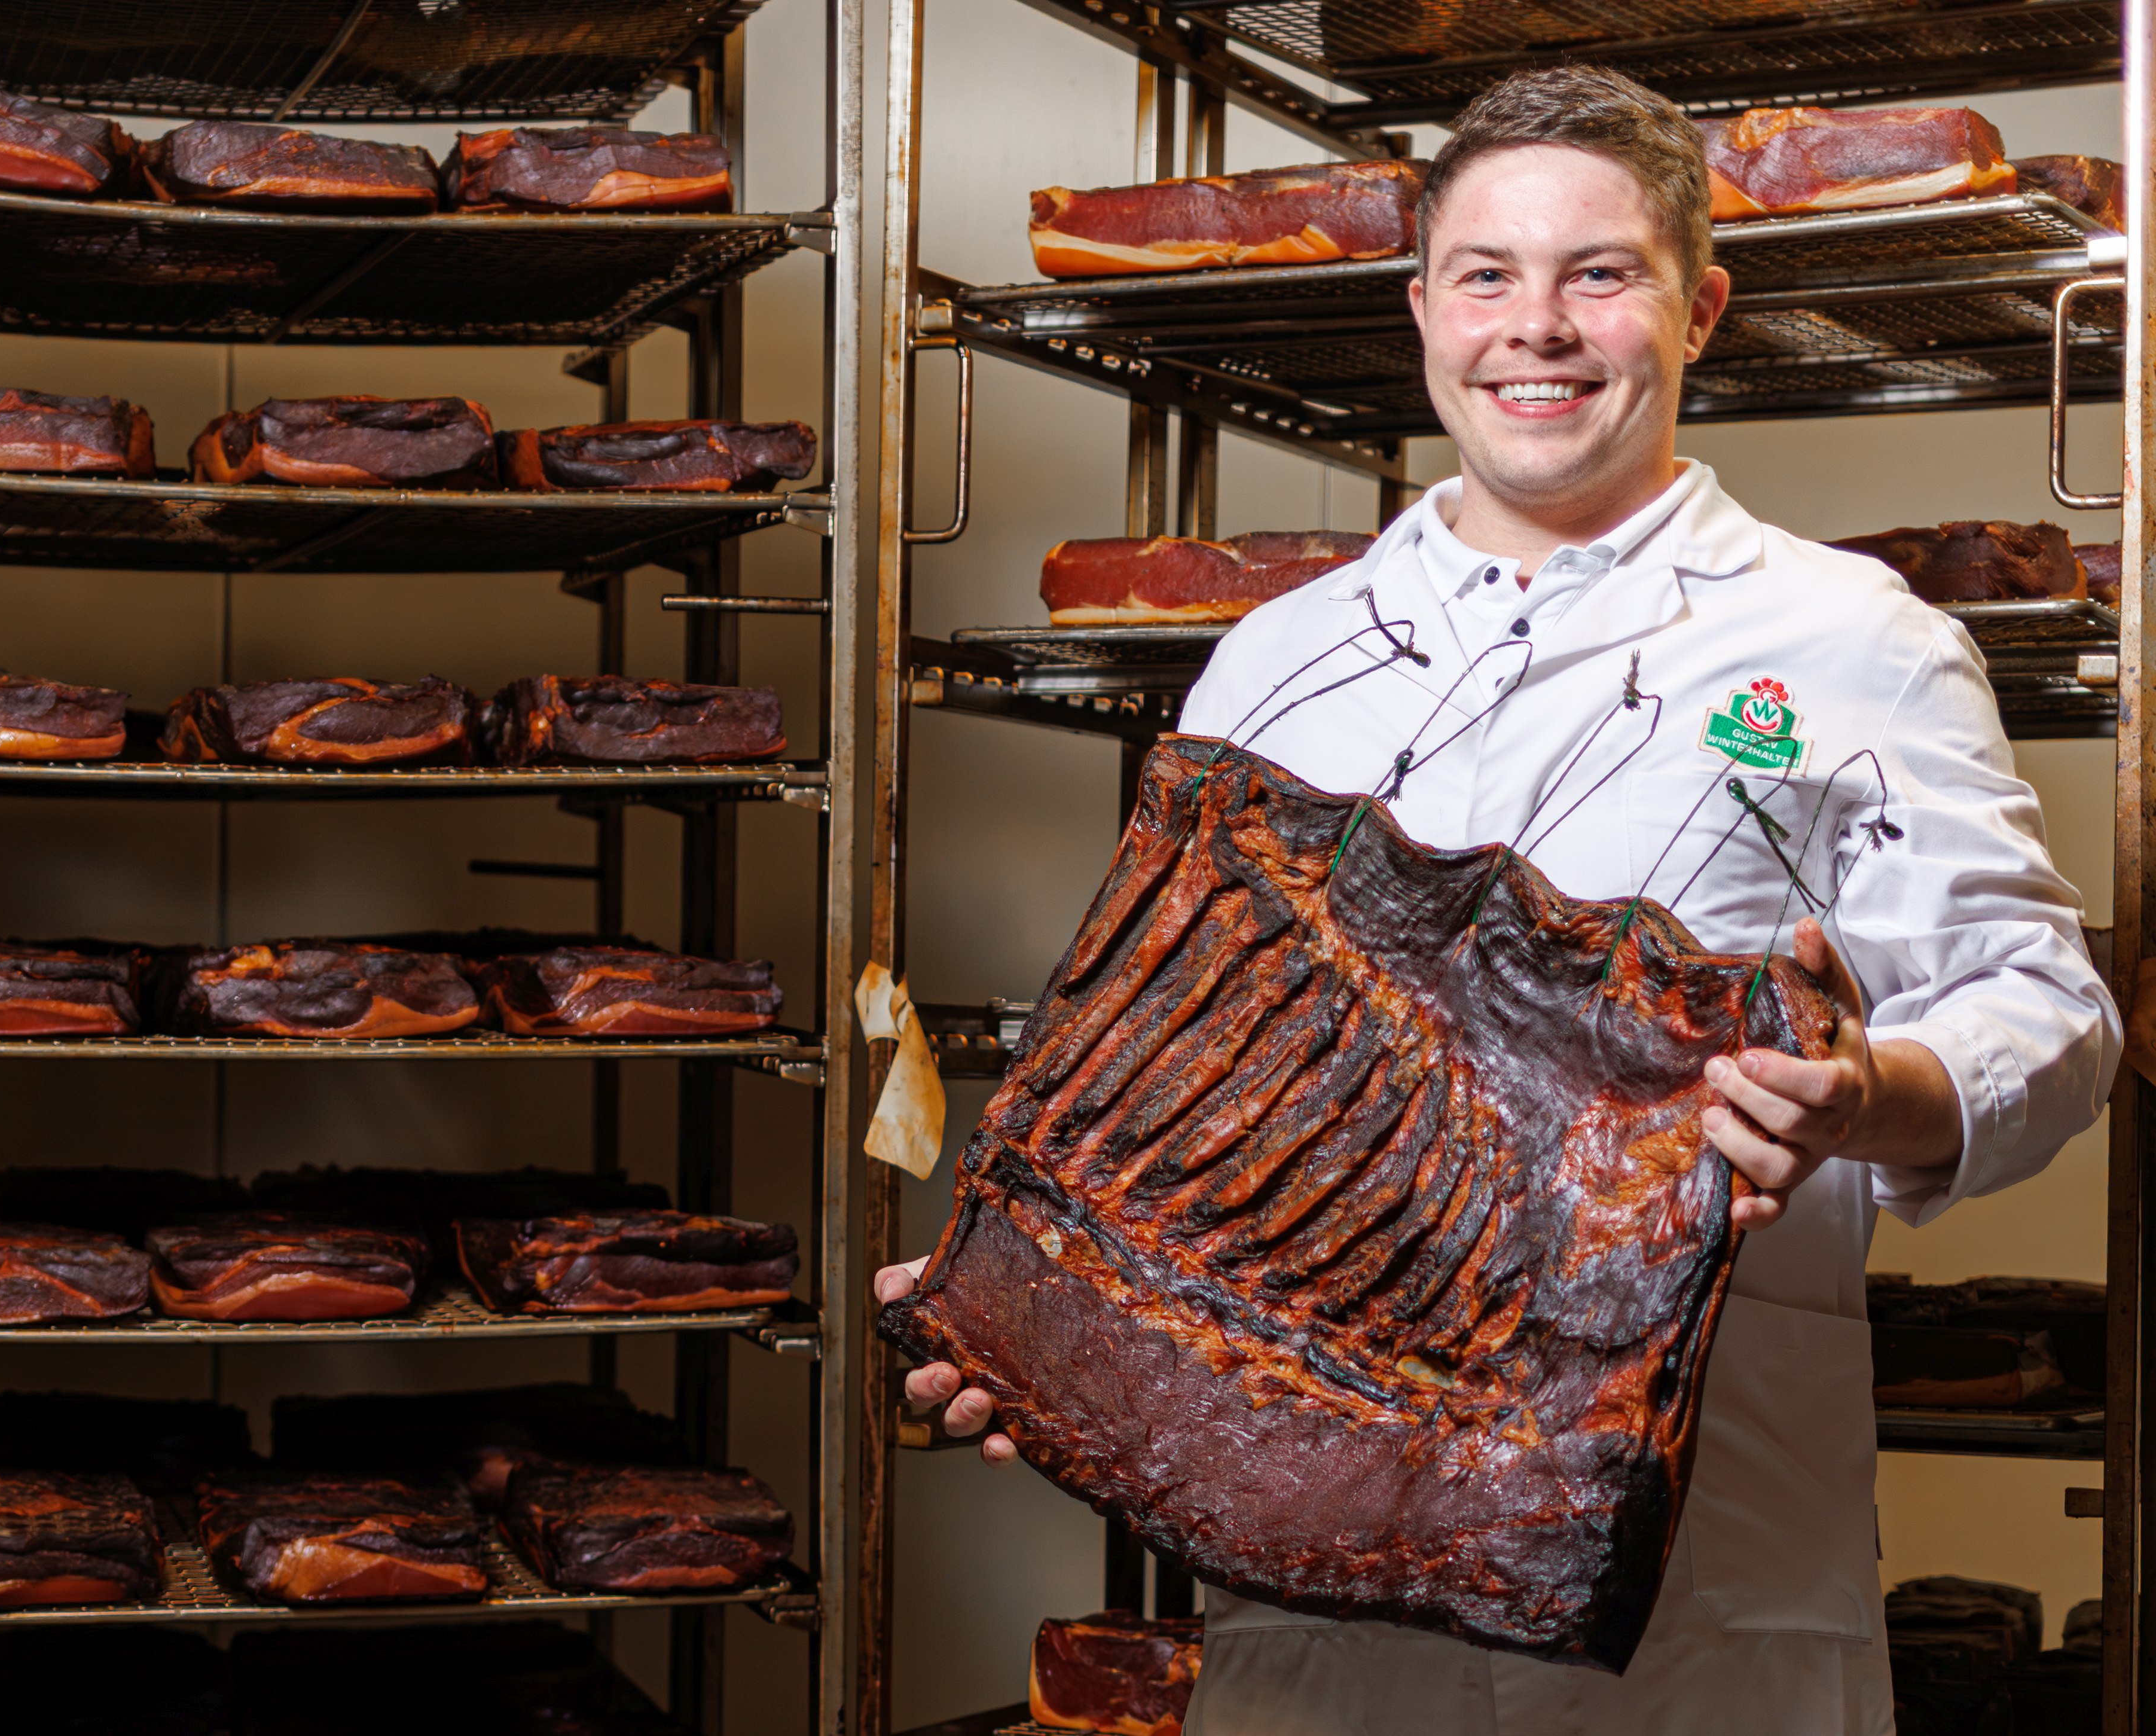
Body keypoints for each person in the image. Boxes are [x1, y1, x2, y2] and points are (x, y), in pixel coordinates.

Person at [876, 65, 2120, 1735]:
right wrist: (1051, 1322)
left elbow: (2042, 1012)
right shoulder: (1274, 661)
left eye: (1597, 275)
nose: (1534, 329)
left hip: (1696, 1604)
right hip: (1300, 1569)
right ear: (1420, 312)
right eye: (1487, 277)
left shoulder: (1851, 643)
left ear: (1698, 311)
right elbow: (1189, 1076)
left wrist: (1866, 1099)